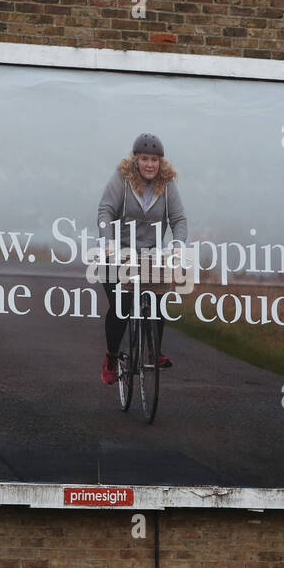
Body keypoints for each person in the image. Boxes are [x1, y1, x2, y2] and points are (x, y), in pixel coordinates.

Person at [96, 133, 188, 385]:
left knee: (157, 299)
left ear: (161, 162)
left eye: (154, 160)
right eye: (145, 159)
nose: (150, 164)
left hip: (149, 255)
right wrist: (108, 242)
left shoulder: (167, 183)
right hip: (117, 253)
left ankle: (153, 352)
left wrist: (178, 245)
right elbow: (105, 211)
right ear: (136, 159)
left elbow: (178, 219)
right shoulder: (122, 178)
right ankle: (111, 358)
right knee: (122, 305)